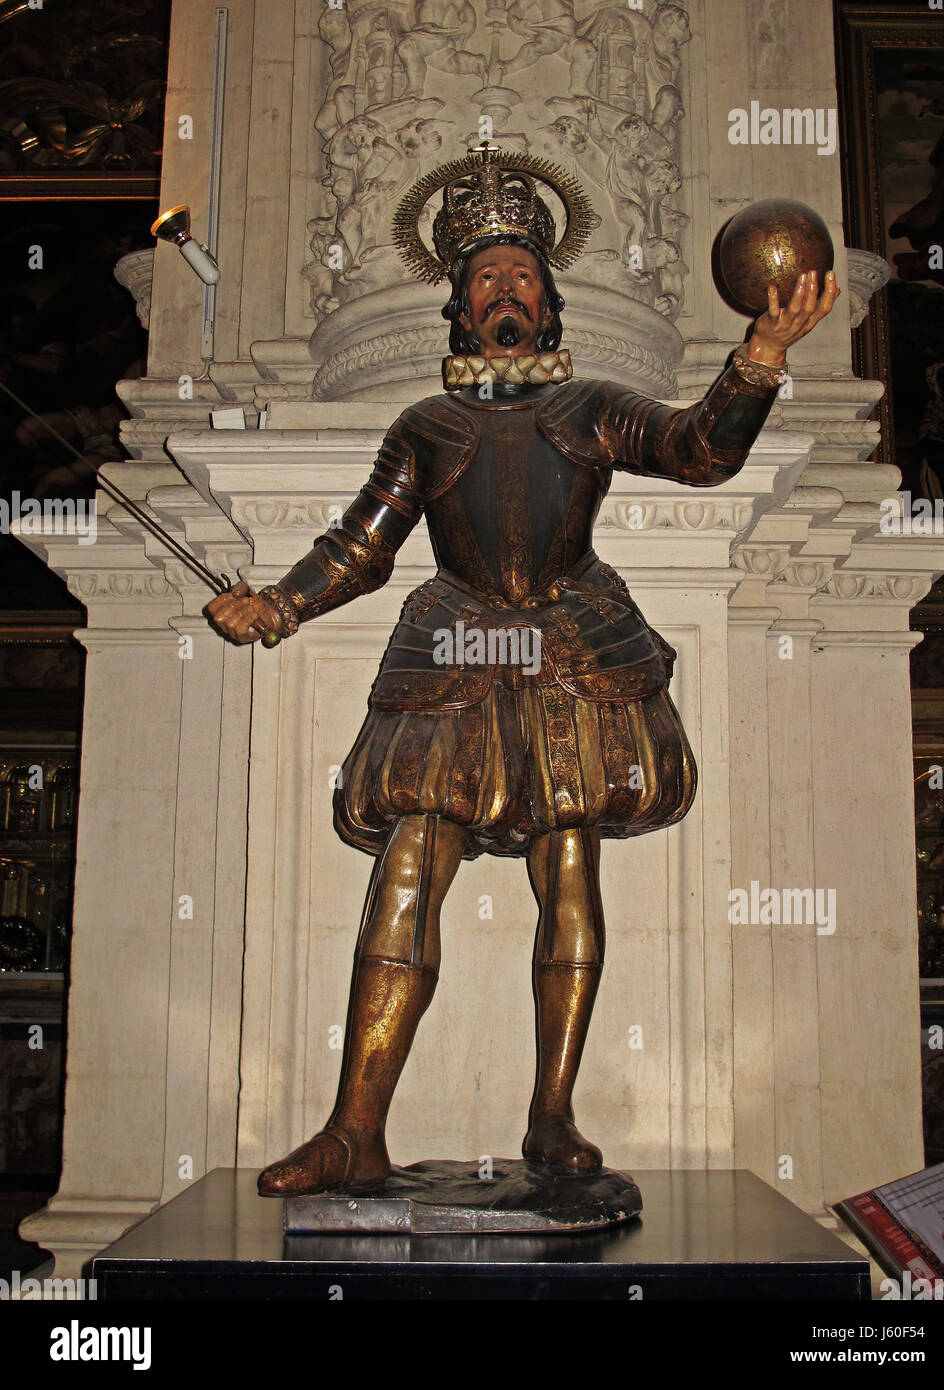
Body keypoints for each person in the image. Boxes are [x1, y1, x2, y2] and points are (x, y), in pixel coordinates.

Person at [206, 146, 838, 1195]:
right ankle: (354, 1128)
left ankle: (553, 1116)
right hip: (454, 648)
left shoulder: (589, 404)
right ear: (460, 307)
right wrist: (278, 603)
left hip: (573, 648)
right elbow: (361, 547)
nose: (505, 290)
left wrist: (761, 355)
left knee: (572, 871)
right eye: (486, 278)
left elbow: (697, 450)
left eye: (522, 276)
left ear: (548, 301)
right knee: (406, 865)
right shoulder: (425, 425)